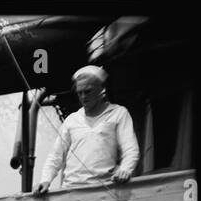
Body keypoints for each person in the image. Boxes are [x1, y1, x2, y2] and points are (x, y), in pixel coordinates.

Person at [35, 65, 140, 193]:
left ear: (101, 89)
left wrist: (125, 169)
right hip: (71, 189)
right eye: (80, 93)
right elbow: (55, 156)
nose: (83, 97)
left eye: (88, 91)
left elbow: (131, 149)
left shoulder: (118, 113)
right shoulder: (72, 120)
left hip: (106, 190)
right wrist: (45, 180)